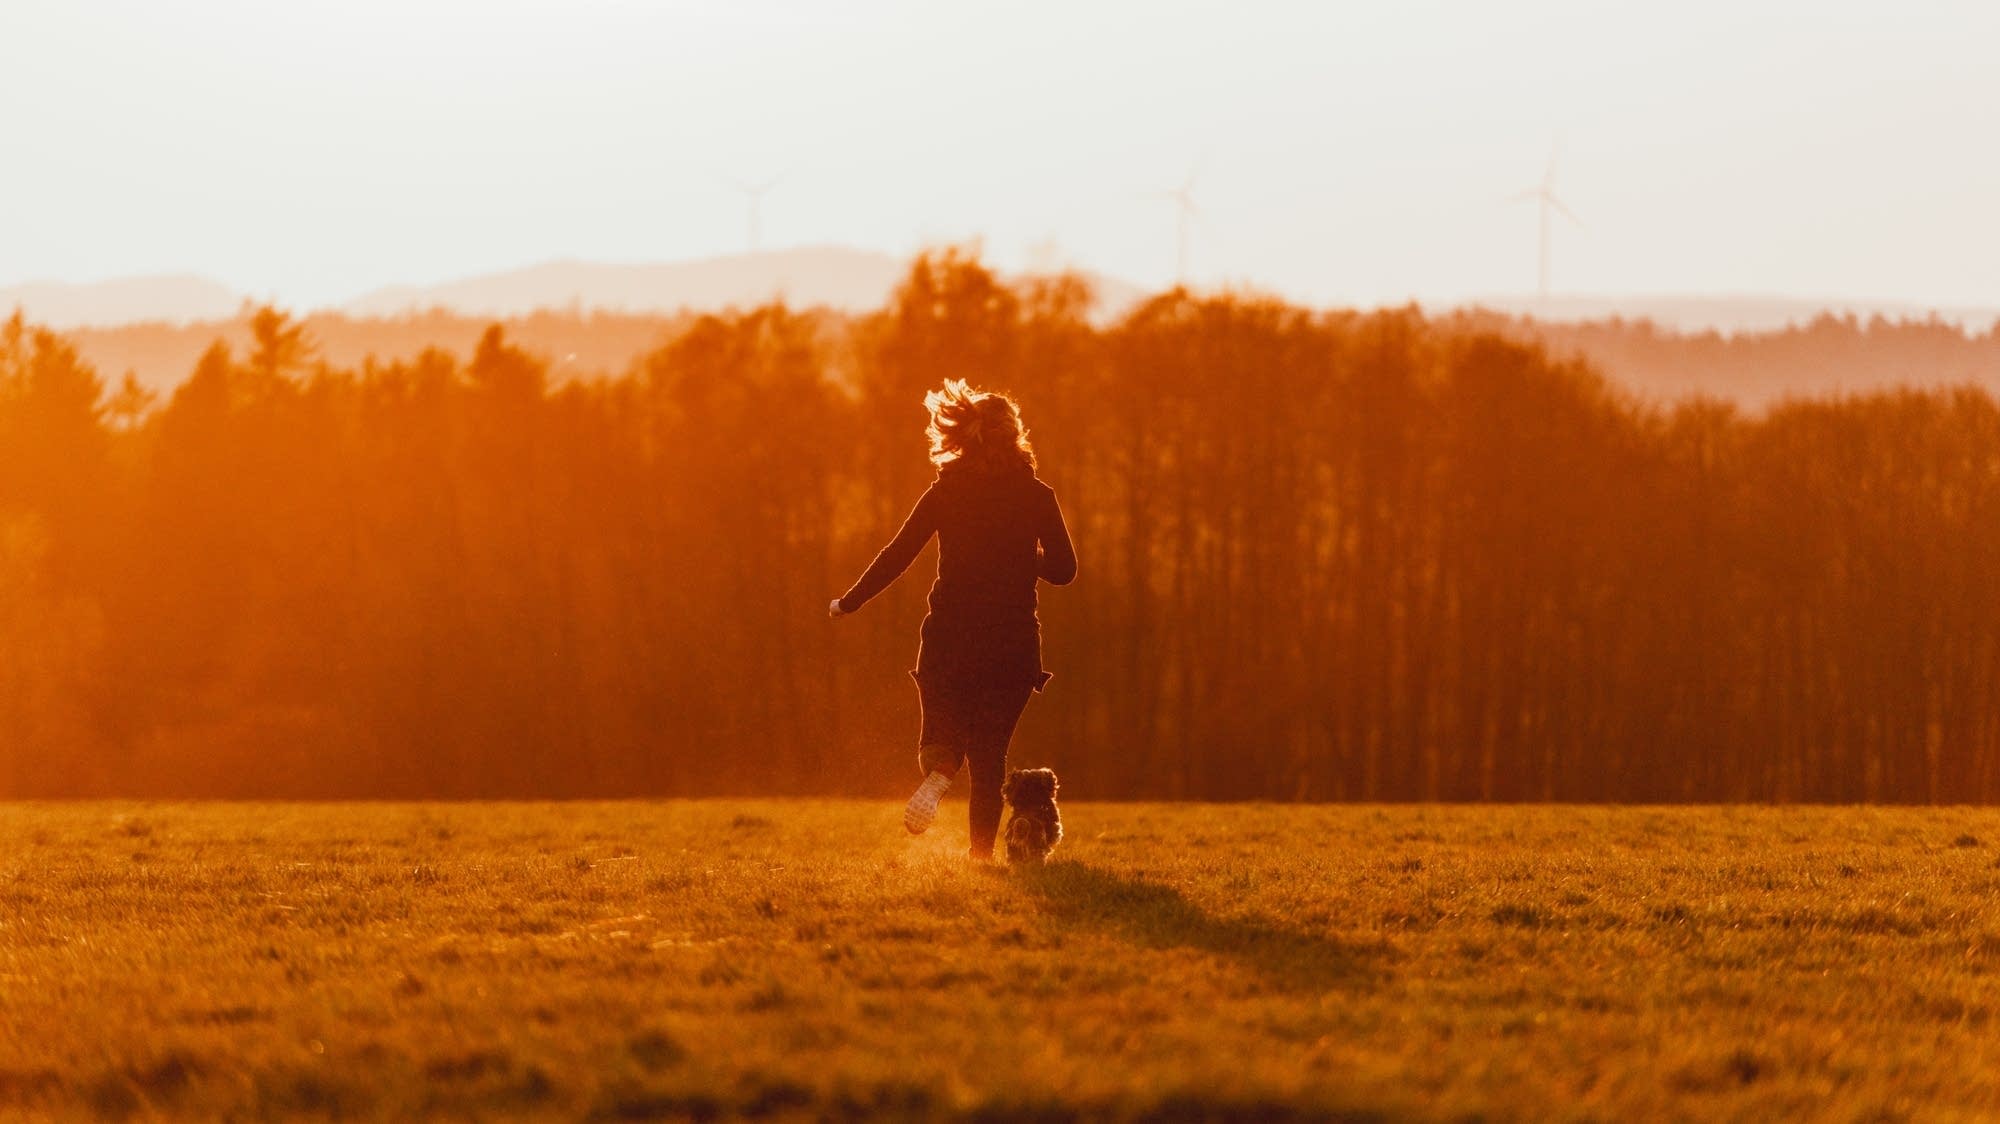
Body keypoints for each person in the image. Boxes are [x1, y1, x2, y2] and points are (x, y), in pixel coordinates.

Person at [829, 379, 1076, 860]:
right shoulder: (1037, 495)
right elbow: (1065, 571)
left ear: (965, 435)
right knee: (990, 760)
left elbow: (898, 553)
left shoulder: (947, 492)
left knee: (944, 732)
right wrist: (1026, 560)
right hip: (1013, 646)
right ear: (1016, 436)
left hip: (949, 639)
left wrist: (851, 601)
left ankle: (940, 765)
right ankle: (981, 856)